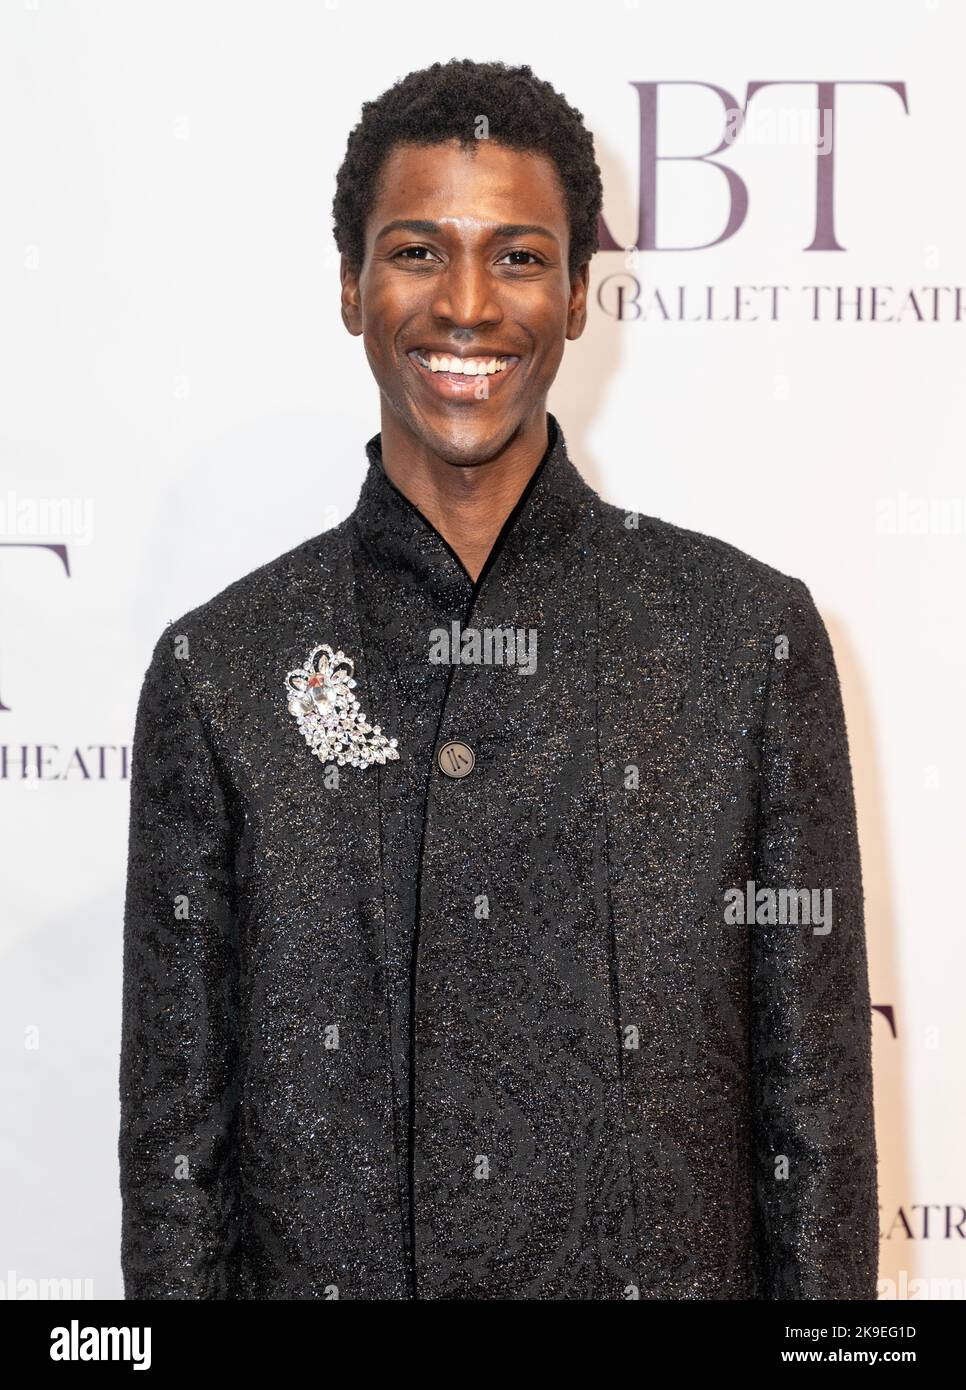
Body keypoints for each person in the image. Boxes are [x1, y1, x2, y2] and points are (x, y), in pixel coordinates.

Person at [119, 58, 879, 1300]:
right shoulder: (223, 672)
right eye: (417, 252)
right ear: (352, 290)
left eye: (519, 257)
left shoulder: (749, 642)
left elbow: (819, 1135)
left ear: (580, 296)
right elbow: (176, 1167)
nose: (466, 305)